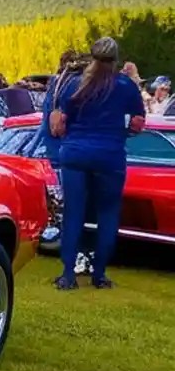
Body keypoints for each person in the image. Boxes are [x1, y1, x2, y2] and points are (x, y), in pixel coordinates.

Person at [51, 37, 146, 291]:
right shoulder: (126, 86)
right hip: (110, 155)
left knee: (73, 213)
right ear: (115, 59)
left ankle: (68, 274)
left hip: (75, 153)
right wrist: (123, 133)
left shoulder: (73, 84)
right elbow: (138, 123)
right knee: (107, 213)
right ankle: (99, 274)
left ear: (91, 57)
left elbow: (60, 123)